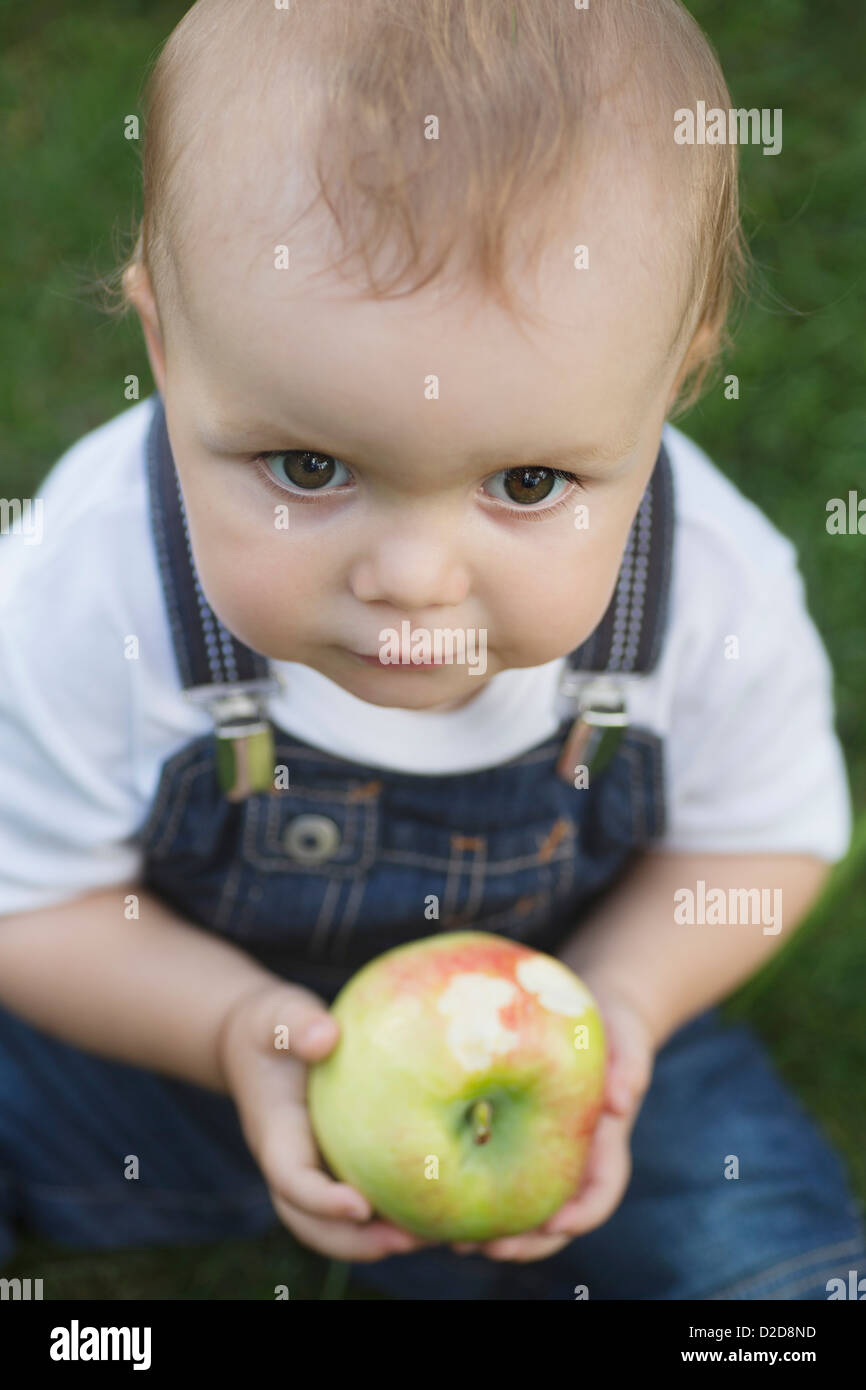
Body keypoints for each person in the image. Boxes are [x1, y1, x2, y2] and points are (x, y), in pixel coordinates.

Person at [0, 0, 863, 1300]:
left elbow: (762, 842)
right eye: (307, 464)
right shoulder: (87, 585)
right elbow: (29, 901)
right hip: (164, 1040)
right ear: (166, 350)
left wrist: (621, 1003)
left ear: (671, 380)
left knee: (771, 1275)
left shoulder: (711, 589)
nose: (410, 576)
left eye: (525, 480)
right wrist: (232, 1028)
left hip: (571, 1024)